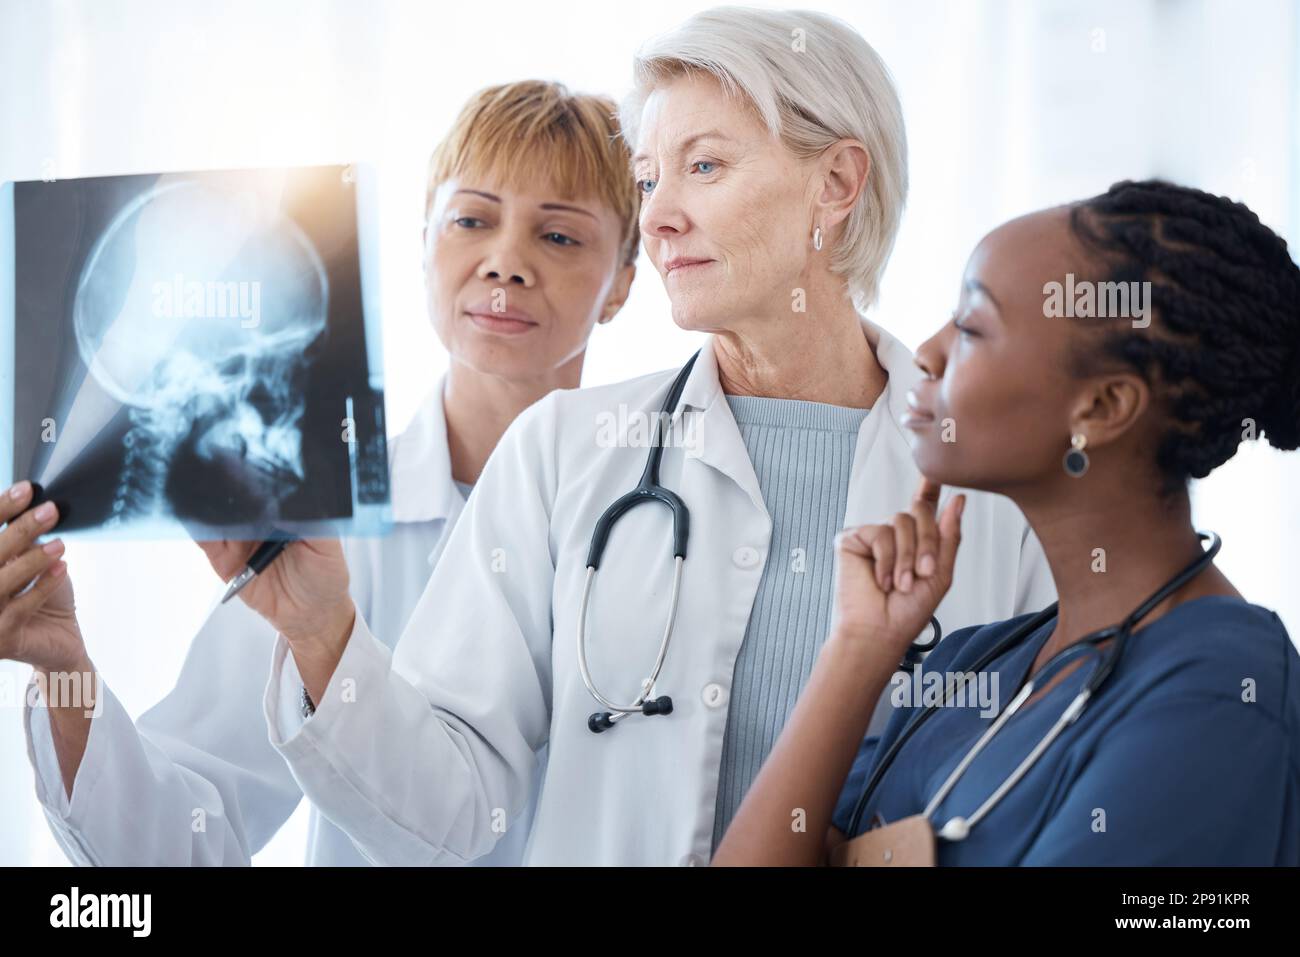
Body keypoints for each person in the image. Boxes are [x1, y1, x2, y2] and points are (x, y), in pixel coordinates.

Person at [4, 7, 1055, 867]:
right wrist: (316, 638)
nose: (663, 213)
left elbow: (1042, 795)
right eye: (651, 180)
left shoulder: (991, 483)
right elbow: (385, 819)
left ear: (835, 185)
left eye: (702, 169)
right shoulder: (538, 463)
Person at [5, 79, 641, 866]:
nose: (504, 263)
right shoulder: (319, 531)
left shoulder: (655, 525)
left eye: (561, 237)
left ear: (624, 279)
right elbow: (184, 839)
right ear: (422, 244)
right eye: (472, 219)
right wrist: (64, 674)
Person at [712, 179, 1300, 866]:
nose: (925, 355)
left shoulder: (1220, 691)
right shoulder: (975, 663)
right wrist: (858, 647)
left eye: (971, 327)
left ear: (1103, 407)